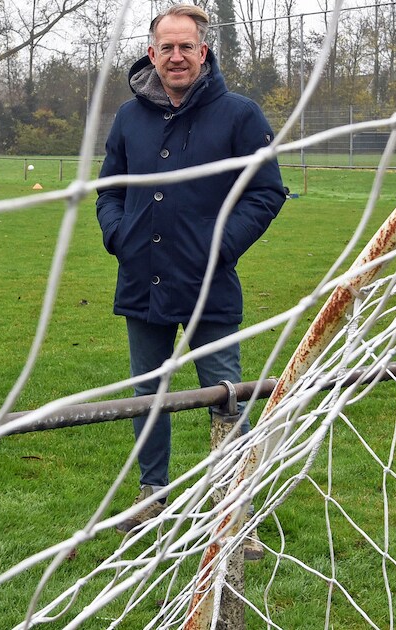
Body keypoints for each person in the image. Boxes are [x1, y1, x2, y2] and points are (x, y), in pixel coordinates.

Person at [95, 4, 285, 542]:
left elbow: (267, 191)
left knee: (226, 396)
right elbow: (108, 188)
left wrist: (219, 246)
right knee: (146, 396)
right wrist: (119, 236)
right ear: (151, 54)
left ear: (203, 52)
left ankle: (234, 511)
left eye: (186, 47)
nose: (176, 57)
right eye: (166, 48)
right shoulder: (128, 118)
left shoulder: (241, 115)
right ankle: (151, 497)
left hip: (209, 288)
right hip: (142, 281)